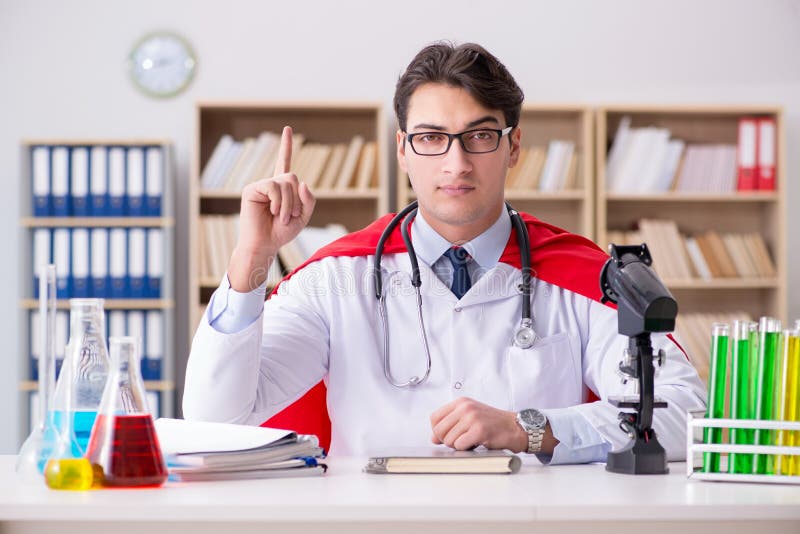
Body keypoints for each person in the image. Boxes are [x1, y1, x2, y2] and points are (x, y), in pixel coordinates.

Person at [184, 42, 705, 463]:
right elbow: (217, 418)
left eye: (479, 136)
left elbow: (682, 413)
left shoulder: (584, 276)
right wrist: (251, 260)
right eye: (432, 137)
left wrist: (531, 427)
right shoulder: (332, 279)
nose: (456, 163)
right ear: (403, 150)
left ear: (514, 147)